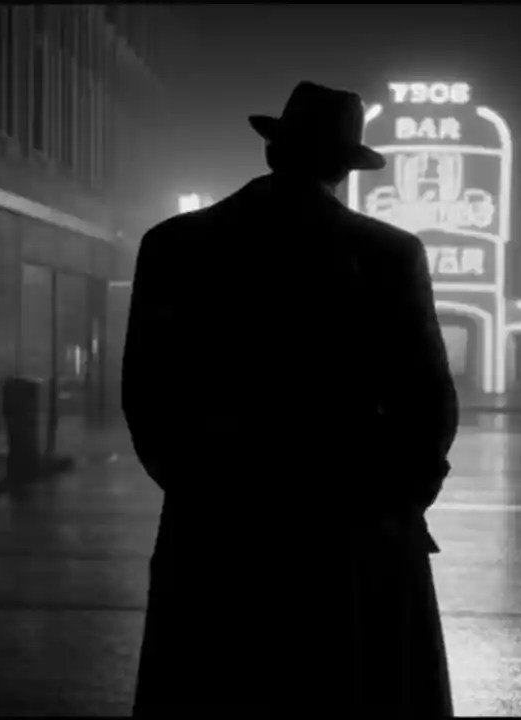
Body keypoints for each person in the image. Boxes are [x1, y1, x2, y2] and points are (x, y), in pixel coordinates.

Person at [122, 81, 459, 716]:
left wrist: (196, 485)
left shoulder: (173, 243)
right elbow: (429, 403)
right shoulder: (388, 253)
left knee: (210, 685)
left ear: (273, 151)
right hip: (353, 522)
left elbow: (148, 391)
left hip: (216, 521)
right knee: (353, 686)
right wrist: (395, 500)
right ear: (343, 166)